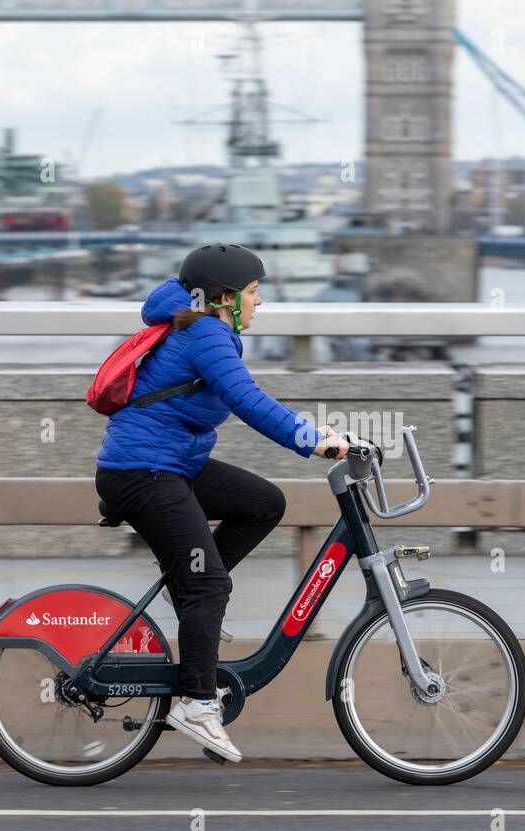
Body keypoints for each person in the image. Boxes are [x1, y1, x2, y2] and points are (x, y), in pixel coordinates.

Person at [95, 243, 349, 762]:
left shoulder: (204, 324)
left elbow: (245, 397)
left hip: (171, 464)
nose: (260, 303)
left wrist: (311, 430)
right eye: (254, 292)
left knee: (262, 503)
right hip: (143, 473)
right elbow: (248, 400)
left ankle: (182, 593)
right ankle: (195, 700)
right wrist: (310, 438)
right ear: (225, 298)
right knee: (210, 581)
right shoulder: (208, 332)